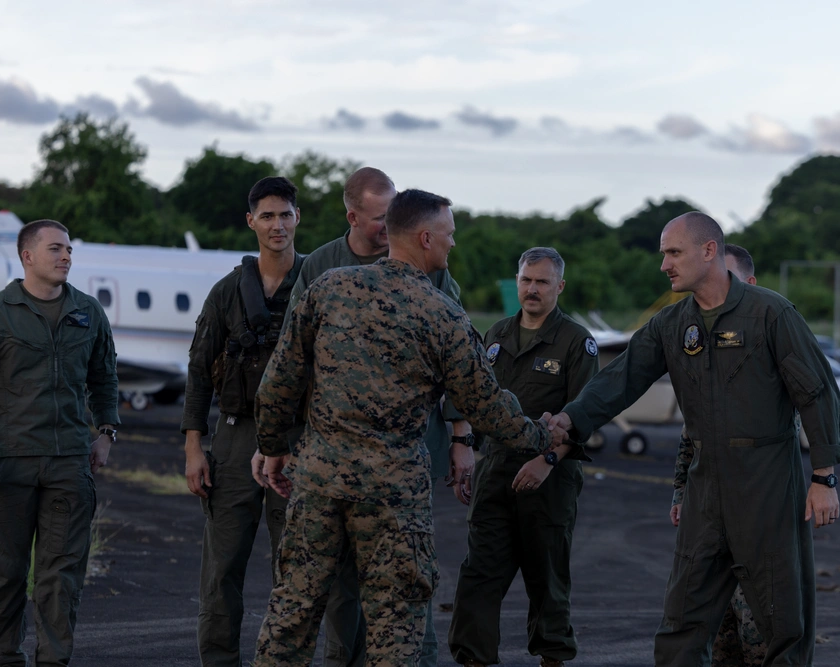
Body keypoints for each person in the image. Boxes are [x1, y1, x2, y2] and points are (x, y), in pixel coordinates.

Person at [252, 189, 566, 666]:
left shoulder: (329, 288)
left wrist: (274, 446)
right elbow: (486, 406)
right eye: (449, 234)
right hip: (393, 495)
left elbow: (278, 382)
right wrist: (542, 435)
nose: (453, 243)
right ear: (425, 239)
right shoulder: (442, 313)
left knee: (292, 612)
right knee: (395, 625)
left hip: (318, 480)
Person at [548, 212, 840, 666]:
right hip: (704, 488)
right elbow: (620, 379)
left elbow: (817, 392)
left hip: (766, 487)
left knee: (782, 623)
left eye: (674, 252)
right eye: (663, 254)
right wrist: (569, 422)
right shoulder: (671, 324)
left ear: (709, 251)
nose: (664, 265)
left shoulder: (770, 313)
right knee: (681, 622)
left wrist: (823, 477)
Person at [261, 166, 473, 667]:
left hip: (403, 460)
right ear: (352, 217)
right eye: (379, 217)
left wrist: (461, 437)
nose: (389, 225)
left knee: (403, 591)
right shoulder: (322, 269)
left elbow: (460, 364)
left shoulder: (432, 269)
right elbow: (291, 362)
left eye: (393, 214)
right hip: (332, 459)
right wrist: (279, 444)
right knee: (331, 591)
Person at [0, 219, 120, 666]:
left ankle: (53, 660)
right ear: (27, 256)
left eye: (69, 250)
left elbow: (104, 377)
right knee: (4, 571)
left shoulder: (87, 312)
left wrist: (105, 433)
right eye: (56, 249)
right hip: (8, 462)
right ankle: (4, 657)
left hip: (69, 464)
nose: (66, 257)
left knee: (61, 575)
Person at [449, 247, 599, 667]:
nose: (532, 289)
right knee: (480, 571)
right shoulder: (496, 335)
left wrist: (547, 462)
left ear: (559, 286)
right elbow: (476, 401)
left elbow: (585, 414)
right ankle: (474, 658)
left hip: (550, 477)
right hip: (495, 471)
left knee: (546, 575)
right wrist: (467, 450)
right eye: (526, 280)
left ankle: (552, 656)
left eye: (542, 282)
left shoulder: (576, 342)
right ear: (517, 281)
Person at [180, 176, 304, 666]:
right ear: (251, 221)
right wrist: (194, 448)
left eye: (285, 214)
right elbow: (198, 370)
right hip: (235, 436)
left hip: (296, 438)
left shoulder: (317, 284)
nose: (278, 225)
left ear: (298, 218)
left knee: (295, 568)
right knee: (221, 569)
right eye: (267, 216)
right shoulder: (227, 292)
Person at [671, 243, 766, 667]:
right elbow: (691, 434)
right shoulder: (702, 345)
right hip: (709, 512)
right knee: (719, 633)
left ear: (750, 284)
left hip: (758, 514)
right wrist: (680, 492)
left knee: (759, 629)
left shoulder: (771, 336)